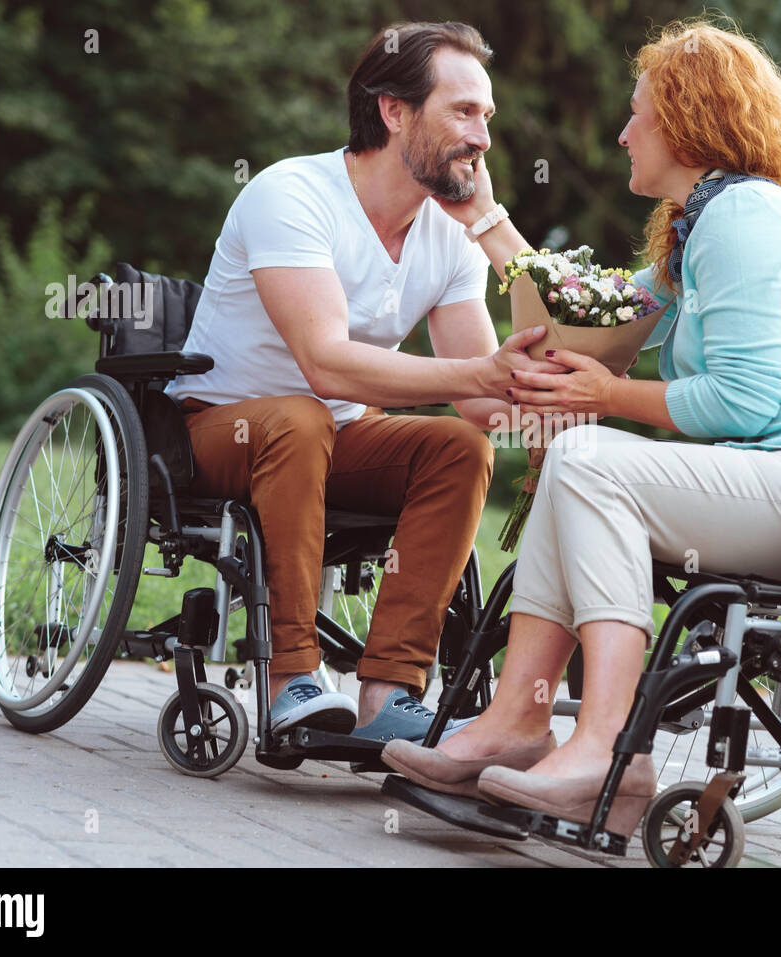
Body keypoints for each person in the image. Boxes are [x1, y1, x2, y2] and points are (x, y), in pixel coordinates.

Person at [381, 19, 781, 835]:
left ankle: (611, 748)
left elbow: (741, 400)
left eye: (637, 113)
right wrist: (485, 218)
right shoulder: (699, 229)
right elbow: (587, 317)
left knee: (591, 460)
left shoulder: (742, 217)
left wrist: (604, 395)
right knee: (578, 456)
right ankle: (516, 723)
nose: (623, 132)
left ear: (685, 120)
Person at [165, 21, 560, 742]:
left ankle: (388, 695)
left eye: (488, 117)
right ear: (394, 110)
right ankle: (291, 680)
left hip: (339, 435)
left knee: (457, 449)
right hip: (226, 430)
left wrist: (494, 230)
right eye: (463, 112)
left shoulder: (450, 235)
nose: (483, 139)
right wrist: (485, 371)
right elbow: (325, 361)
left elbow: (481, 402)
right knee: (299, 416)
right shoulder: (292, 194)